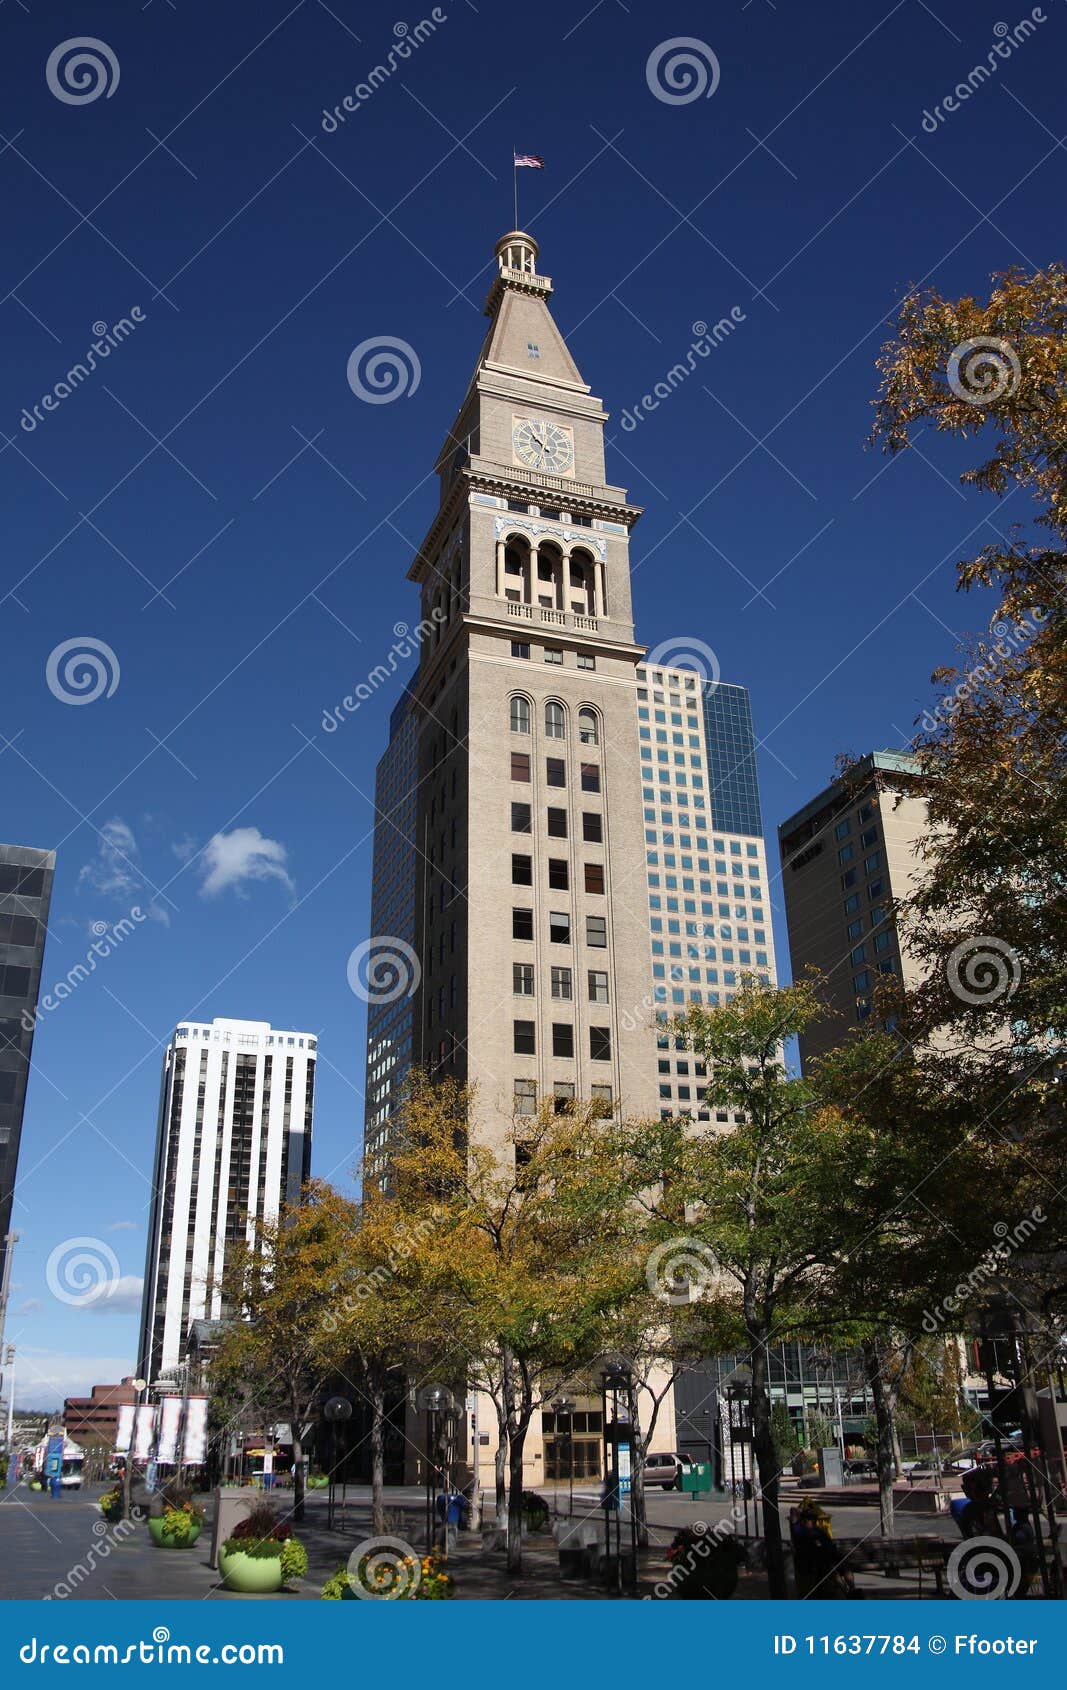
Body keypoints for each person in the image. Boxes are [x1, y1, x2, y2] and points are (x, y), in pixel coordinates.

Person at [790, 1500, 857, 1599]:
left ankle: (852, 1590)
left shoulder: (818, 1531)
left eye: (814, 1519)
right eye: (810, 1519)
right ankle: (848, 1593)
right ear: (804, 1520)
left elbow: (830, 1546)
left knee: (843, 1565)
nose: (812, 1521)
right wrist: (800, 1512)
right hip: (814, 1562)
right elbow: (792, 1512)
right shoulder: (800, 1530)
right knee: (831, 1570)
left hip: (828, 1557)